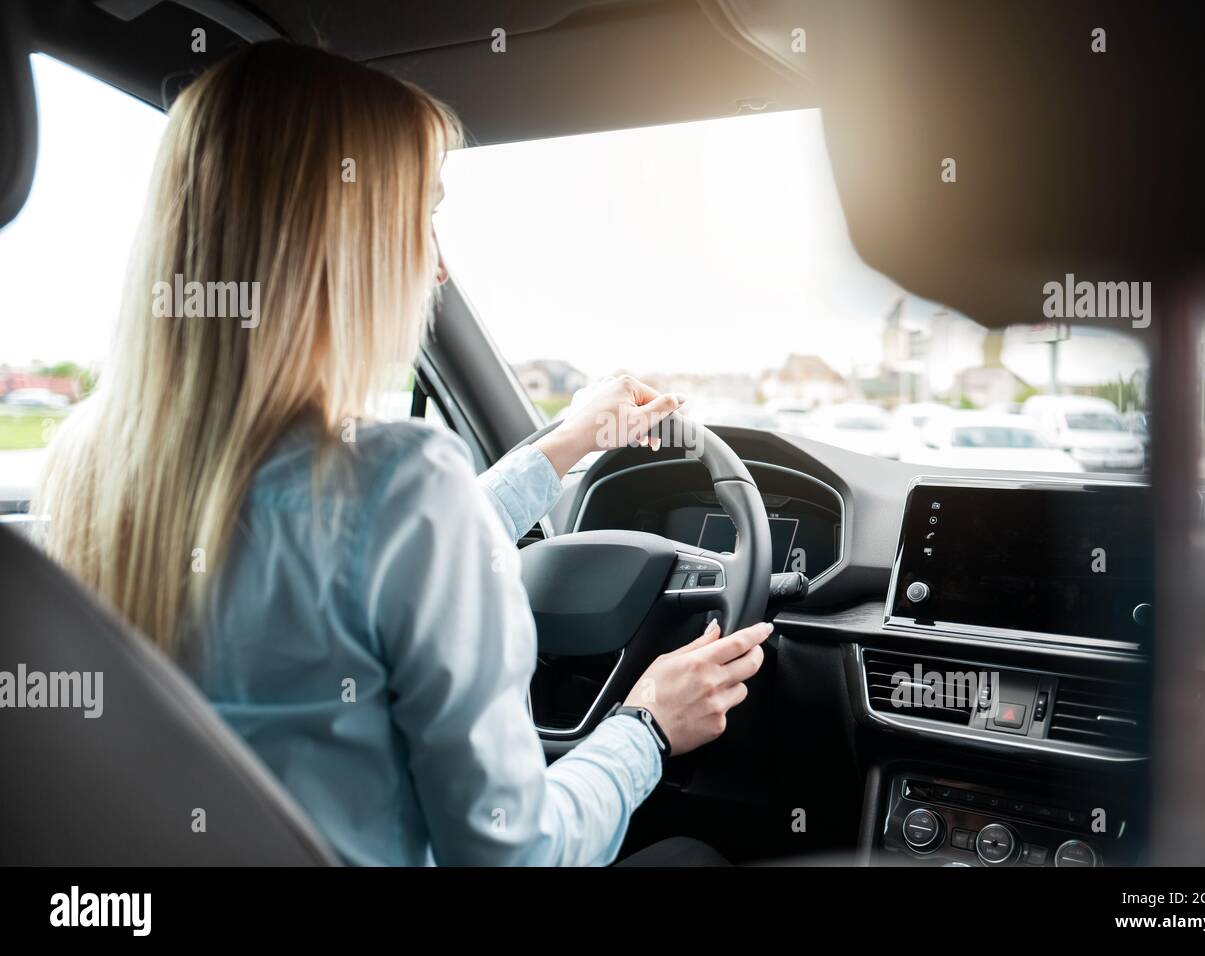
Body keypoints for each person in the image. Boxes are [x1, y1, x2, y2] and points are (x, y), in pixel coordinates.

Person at [34, 41, 770, 866]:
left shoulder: (83, 464)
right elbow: (513, 855)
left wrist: (562, 447)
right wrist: (646, 730)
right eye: (423, 215)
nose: (440, 266)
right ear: (340, 240)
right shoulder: (399, 484)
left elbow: (352, 548)